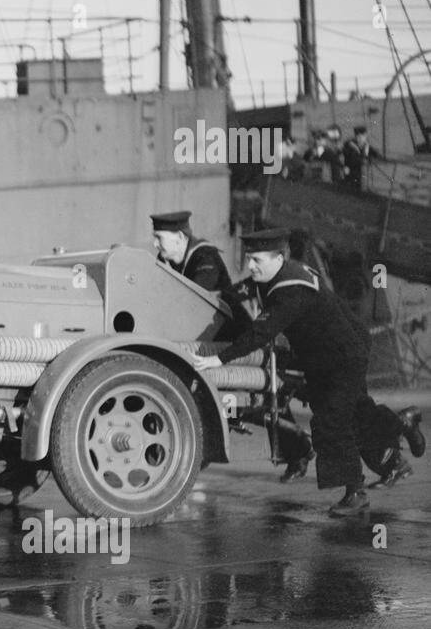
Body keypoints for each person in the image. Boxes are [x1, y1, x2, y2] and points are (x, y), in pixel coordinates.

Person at [193, 228, 424, 517]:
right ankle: (403, 423)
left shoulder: (291, 289)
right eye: (249, 259)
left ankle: (355, 493)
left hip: (339, 359)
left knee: (332, 423)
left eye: (257, 260)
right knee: (359, 414)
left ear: (279, 258)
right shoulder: (284, 273)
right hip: (329, 357)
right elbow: (239, 291)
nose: (250, 266)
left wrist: (219, 359)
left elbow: (261, 332)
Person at [150, 210, 231, 291]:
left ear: (180, 237)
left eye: (159, 237)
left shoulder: (205, 256)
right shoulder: (164, 258)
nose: (155, 244)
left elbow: (196, 298)